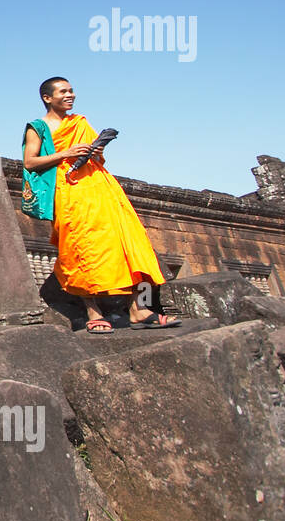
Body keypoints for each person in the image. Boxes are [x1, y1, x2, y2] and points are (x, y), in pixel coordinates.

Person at [23, 77, 180, 333]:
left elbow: (100, 159)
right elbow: (30, 162)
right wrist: (67, 153)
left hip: (101, 187)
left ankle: (139, 309)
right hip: (70, 190)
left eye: (72, 90)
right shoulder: (38, 127)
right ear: (47, 98)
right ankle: (93, 311)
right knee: (81, 249)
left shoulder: (81, 122)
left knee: (128, 244)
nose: (70, 95)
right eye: (63, 91)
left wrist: (95, 152)